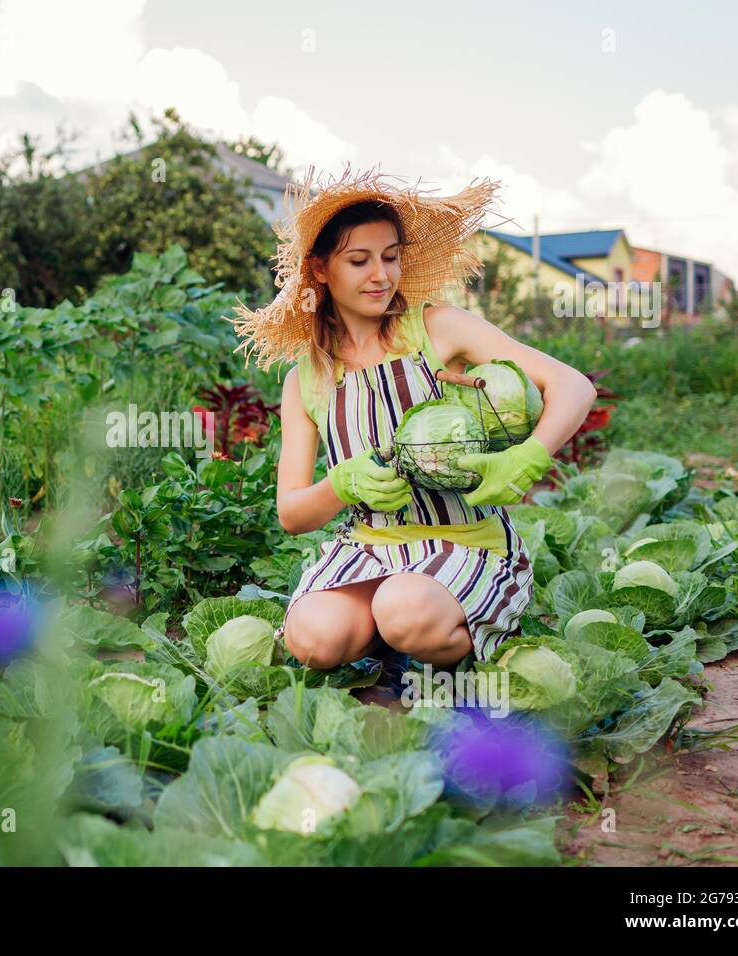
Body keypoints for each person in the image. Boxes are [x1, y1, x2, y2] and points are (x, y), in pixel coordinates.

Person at [229, 165, 597, 675]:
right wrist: (342, 482)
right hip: (371, 550)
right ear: (319, 269)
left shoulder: (438, 330)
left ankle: (454, 629)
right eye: (358, 261)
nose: (380, 275)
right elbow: (293, 516)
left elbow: (573, 385)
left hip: (466, 542)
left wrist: (531, 454)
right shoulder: (306, 380)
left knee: (405, 609)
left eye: (390, 257)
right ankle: (389, 634)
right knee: (313, 639)